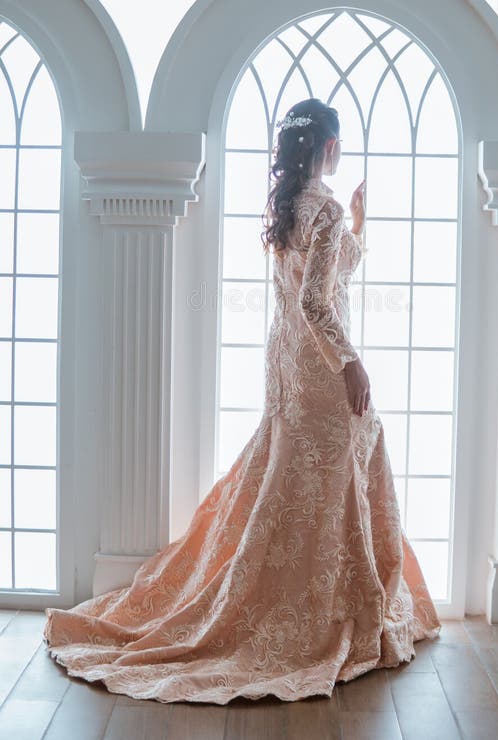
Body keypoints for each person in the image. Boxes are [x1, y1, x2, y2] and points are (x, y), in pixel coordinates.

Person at [43, 97, 441, 704]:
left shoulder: (288, 208)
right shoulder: (323, 211)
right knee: (335, 472)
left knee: (313, 477)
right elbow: (317, 303)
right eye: (340, 144)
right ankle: (333, 610)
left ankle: (320, 599)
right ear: (327, 147)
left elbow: (322, 281)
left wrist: (358, 224)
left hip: (286, 369)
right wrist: (352, 363)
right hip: (319, 372)